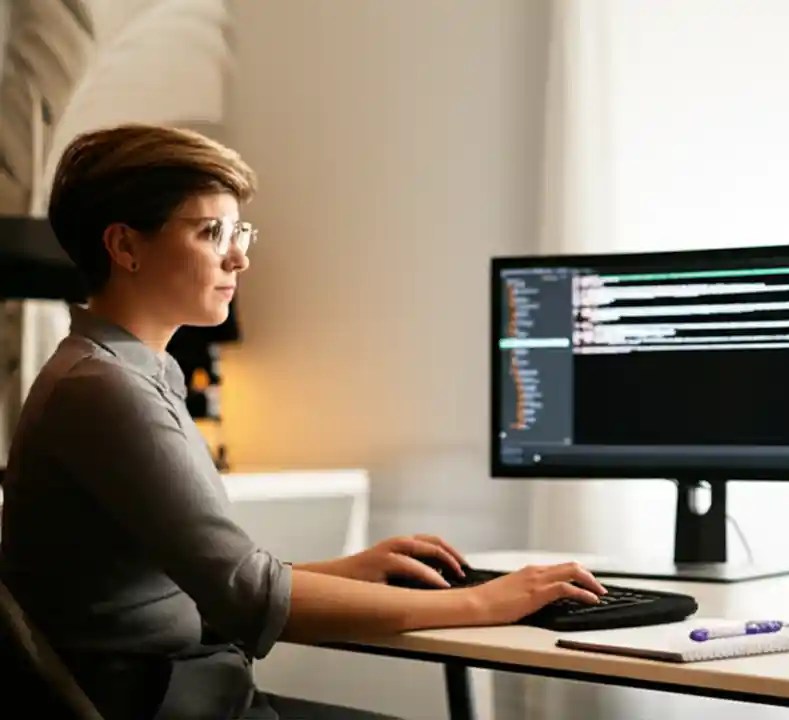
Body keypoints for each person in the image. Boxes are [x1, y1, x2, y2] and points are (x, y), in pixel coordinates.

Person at [0, 124, 607, 719]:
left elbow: (200, 584)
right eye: (213, 232)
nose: (239, 256)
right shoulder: (105, 389)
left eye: (240, 232)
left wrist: (351, 571)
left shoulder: (133, 373)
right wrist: (484, 602)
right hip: (164, 700)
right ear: (125, 247)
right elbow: (247, 594)